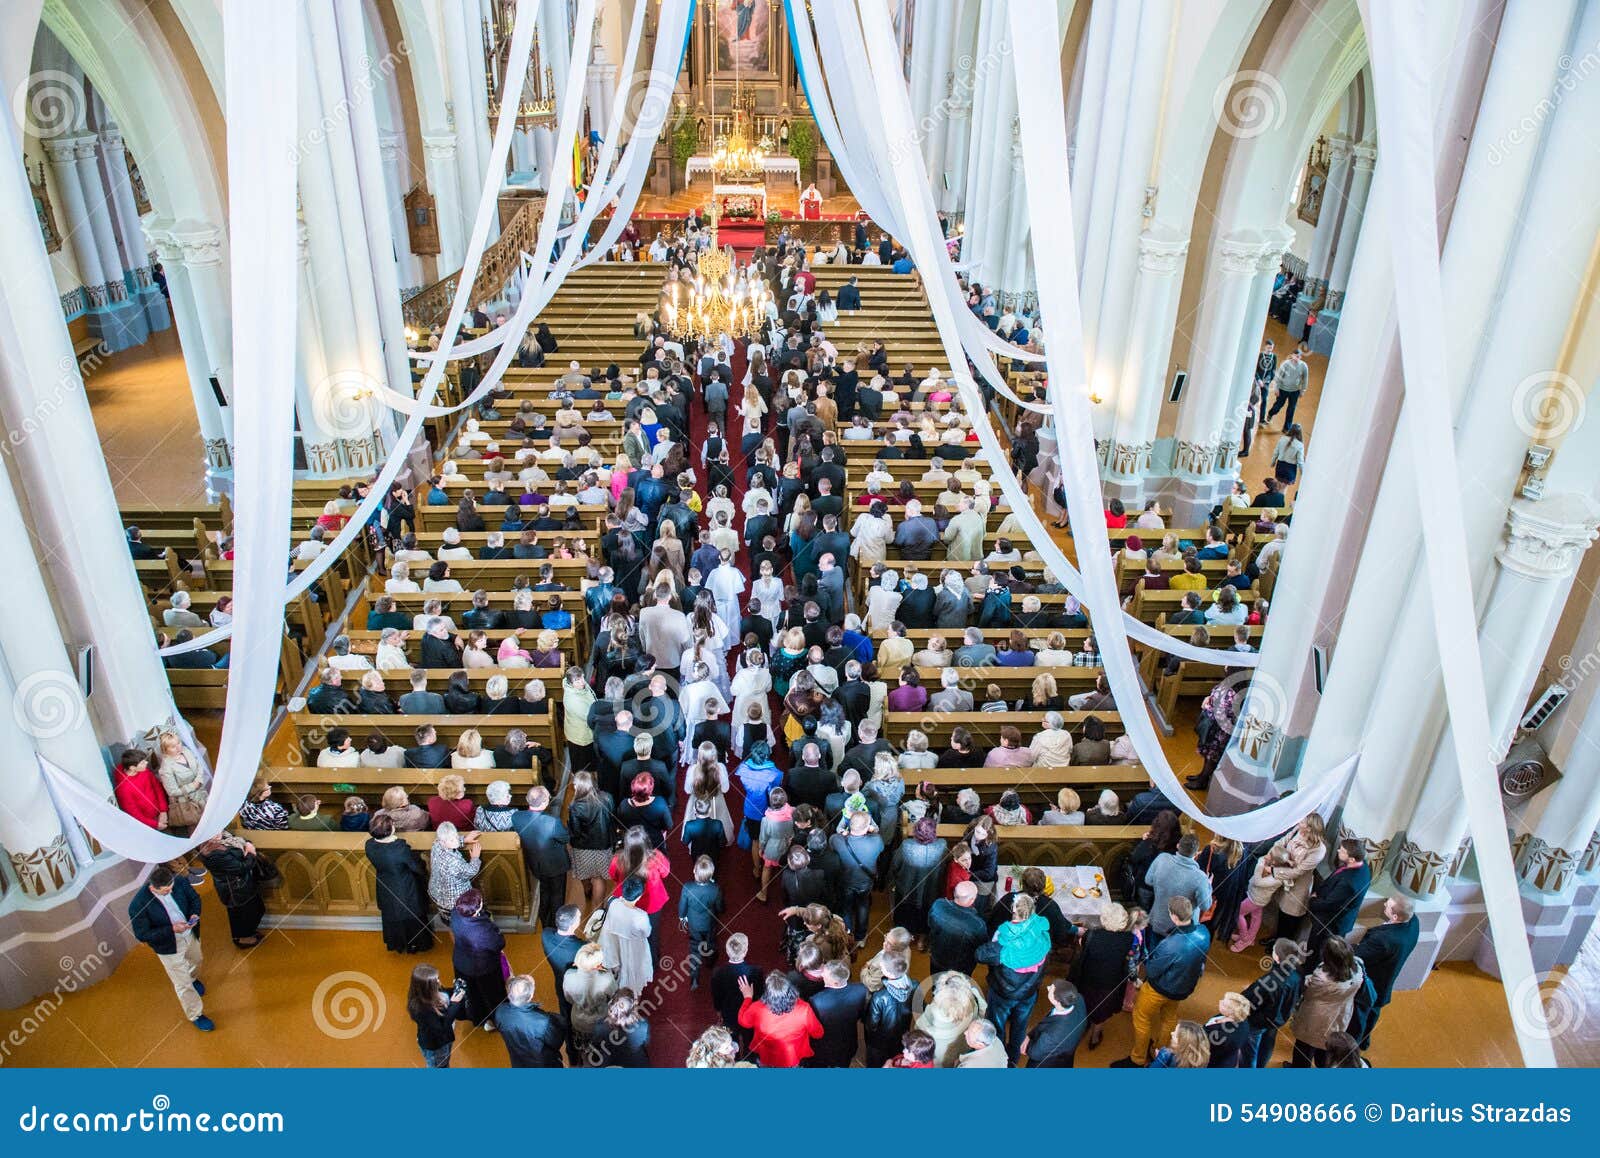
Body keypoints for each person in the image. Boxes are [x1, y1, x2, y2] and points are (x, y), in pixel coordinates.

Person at [1115, 896, 1211, 1066]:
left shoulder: (1170, 945)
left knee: (1141, 1017)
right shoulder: (1203, 932)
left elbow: (1152, 970)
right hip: (1182, 988)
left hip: (1159, 988)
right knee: (1169, 1018)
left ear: (1174, 916)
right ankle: (1159, 1050)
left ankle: (1137, 1058)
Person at [127, 865, 212, 1030]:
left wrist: (195, 914)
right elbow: (142, 934)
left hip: (190, 934)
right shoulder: (138, 905)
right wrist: (171, 929)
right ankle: (196, 1014)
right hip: (168, 946)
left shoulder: (179, 881)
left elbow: (194, 899)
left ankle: (193, 979)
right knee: (182, 984)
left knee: (197, 959)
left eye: (171, 888)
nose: (170, 892)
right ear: (153, 888)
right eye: (165, 891)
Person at [975, 892, 1049, 1062]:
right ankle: (1014, 1058)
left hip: (1003, 992)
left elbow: (981, 955)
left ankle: (999, 1057)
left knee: (997, 1025)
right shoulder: (1043, 934)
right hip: (1028, 992)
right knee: (1020, 1026)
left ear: (1014, 912)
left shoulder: (1003, 937)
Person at [1349, 895, 1420, 1048]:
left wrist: (1351, 948)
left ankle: (1352, 1045)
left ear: (1395, 917)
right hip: (1385, 980)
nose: (1385, 903)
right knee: (1373, 1012)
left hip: (1372, 981)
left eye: (1388, 905)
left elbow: (1359, 955)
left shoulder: (1383, 940)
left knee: (1359, 1016)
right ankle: (1364, 1041)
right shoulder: (1413, 922)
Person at [1291, 937, 1367, 1067]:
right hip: (1339, 1016)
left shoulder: (1321, 978)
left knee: (1303, 1049)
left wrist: (1307, 981)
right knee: (1327, 1049)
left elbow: (1309, 995)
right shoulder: (1357, 970)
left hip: (1315, 1018)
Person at [1075, 901, 1138, 1049]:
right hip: (1111, 984)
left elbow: (1082, 948)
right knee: (1102, 1011)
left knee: (1085, 1005)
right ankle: (1095, 1037)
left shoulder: (1092, 935)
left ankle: (1082, 1028)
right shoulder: (1128, 939)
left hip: (1089, 980)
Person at [510, 785, 570, 930]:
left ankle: (545, 921)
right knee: (557, 894)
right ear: (544, 803)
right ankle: (556, 924)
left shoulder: (517, 817)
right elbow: (565, 838)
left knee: (544, 890)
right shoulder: (552, 822)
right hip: (556, 864)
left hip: (535, 863)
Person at [1242, 937, 1307, 1067]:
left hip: (1259, 1020)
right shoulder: (1299, 972)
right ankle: (1261, 1065)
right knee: (1268, 1042)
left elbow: (1249, 1002)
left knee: (1250, 1049)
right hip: (1279, 1017)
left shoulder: (1269, 982)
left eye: (1273, 950)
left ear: (1277, 957)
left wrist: (1249, 991)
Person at [1303, 839, 1373, 959]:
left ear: (1351, 859)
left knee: (1316, 951)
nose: (1338, 850)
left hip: (1330, 923)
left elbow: (1330, 904)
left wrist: (1312, 901)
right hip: (1334, 913)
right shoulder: (1362, 864)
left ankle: (1308, 972)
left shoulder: (1349, 884)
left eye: (1342, 850)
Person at [738, 970, 824, 1067]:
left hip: (767, 1055)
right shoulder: (804, 1009)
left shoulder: (757, 1008)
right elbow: (818, 1033)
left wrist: (747, 997)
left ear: (767, 992)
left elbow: (743, 1021)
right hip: (792, 1057)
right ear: (790, 988)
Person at [196, 835, 265, 948]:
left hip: (240, 884)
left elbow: (237, 839)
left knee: (254, 909)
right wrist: (251, 853)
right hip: (235, 888)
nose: (219, 833)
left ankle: (247, 933)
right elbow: (241, 867)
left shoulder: (220, 840)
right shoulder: (213, 854)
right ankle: (243, 938)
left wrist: (247, 843)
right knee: (244, 912)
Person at [450, 889, 507, 1028]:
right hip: (483, 968)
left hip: (461, 963)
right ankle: (496, 1020)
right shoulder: (482, 931)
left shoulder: (455, 914)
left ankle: (478, 1019)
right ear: (476, 910)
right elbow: (498, 944)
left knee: (472, 995)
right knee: (492, 995)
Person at [1146, 833, 1214, 940]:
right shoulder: (1201, 878)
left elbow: (1148, 880)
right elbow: (1205, 906)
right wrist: (1209, 886)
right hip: (1182, 932)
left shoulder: (1162, 858)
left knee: (1153, 952)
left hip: (1157, 921)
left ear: (1178, 845)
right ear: (1196, 853)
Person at [496, 974, 568, 1068]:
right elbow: (556, 1042)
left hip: (518, 1061)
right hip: (544, 1064)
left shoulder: (500, 1011)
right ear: (530, 996)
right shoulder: (543, 1021)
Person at [598, 876, 654, 993]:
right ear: (639, 897)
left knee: (619, 974)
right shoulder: (640, 916)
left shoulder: (613, 903)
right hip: (632, 948)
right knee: (632, 975)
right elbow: (647, 932)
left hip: (614, 944)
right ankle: (633, 999)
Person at [809, 957, 869, 1067]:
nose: (822, 975)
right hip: (849, 1042)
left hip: (827, 1045)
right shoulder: (861, 990)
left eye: (825, 975)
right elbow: (862, 1014)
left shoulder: (817, 1001)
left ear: (835, 982)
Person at [862, 950, 916, 1068]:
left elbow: (871, 1025)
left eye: (882, 966)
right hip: (902, 1035)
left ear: (887, 972)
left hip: (879, 1042)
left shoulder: (879, 997)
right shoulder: (915, 985)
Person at [678, 855, 724, 989]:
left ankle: (694, 978)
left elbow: (682, 906)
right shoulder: (715, 888)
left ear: (694, 871)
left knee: (694, 947)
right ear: (711, 874)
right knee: (710, 940)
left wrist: (682, 917)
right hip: (709, 922)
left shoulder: (687, 887)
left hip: (694, 924)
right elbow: (720, 906)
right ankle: (709, 960)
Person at [407, 963, 467, 1067]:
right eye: (435, 981)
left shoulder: (430, 992)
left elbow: (444, 993)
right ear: (426, 987)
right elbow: (441, 1027)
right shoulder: (421, 1009)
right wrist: (454, 1003)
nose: (439, 982)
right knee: (439, 1066)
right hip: (436, 1046)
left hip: (444, 1040)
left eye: (438, 978)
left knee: (445, 1062)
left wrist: (456, 990)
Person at [927, 880, 988, 976]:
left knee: (936, 983)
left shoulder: (938, 905)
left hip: (936, 959)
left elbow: (930, 924)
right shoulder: (977, 925)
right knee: (958, 989)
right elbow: (980, 948)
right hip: (960, 969)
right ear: (972, 900)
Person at [1021, 979, 1087, 1067]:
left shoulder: (1052, 1035)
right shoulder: (1078, 999)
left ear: (1057, 1001)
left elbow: (1035, 1054)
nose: (1048, 988)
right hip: (1066, 1054)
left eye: (1051, 989)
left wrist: (1028, 1042)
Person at [590, 989, 651, 1067]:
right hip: (635, 1062)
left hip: (609, 1060)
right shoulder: (643, 1025)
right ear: (631, 1009)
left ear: (612, 1004)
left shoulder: (600, 1026)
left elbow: (596, 1044)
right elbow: (645, 1043)